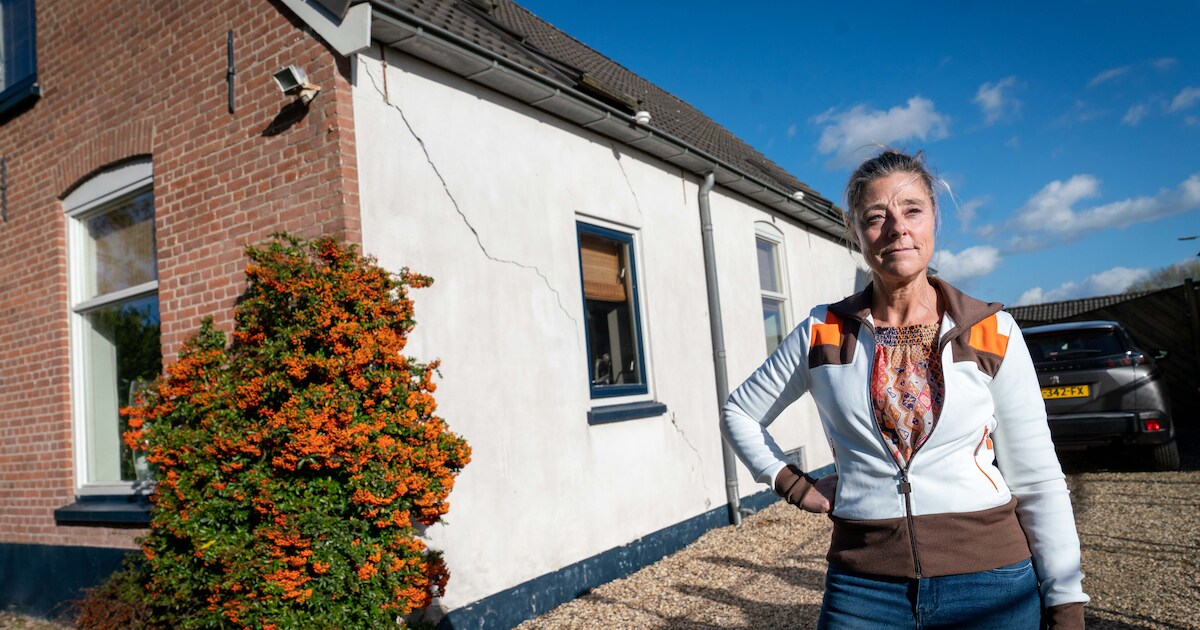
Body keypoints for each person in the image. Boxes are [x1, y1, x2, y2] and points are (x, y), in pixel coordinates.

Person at [721, 149, 1087, 629]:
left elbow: (1038, 479)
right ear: (855, 231)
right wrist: (791, 483)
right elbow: (740, 412)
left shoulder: (991, 330)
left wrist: (1066, 603)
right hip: (863, 590)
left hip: (991, 582)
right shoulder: (822, 331)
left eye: (912, 210)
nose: (897, 228)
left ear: (934, 218)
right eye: (876, 217)